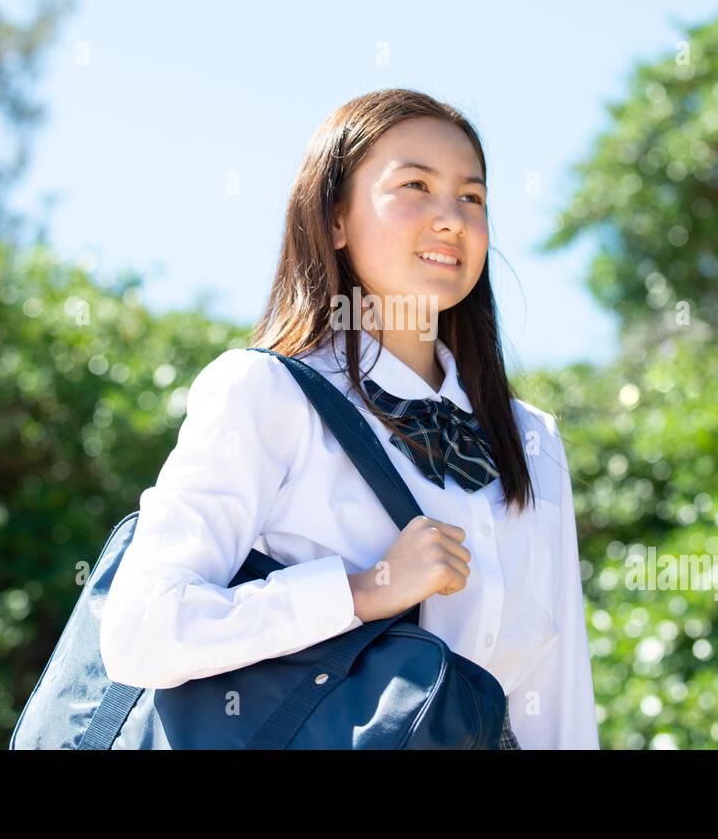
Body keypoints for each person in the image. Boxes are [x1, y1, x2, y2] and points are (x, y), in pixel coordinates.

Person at [100, 88, 599, 749]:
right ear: (335, 218)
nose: (451, 218)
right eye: (416, 185)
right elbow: (141, 629)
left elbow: (556, 703)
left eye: (472, 197)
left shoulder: (531, 440)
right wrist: (363, 590)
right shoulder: (265, 393)